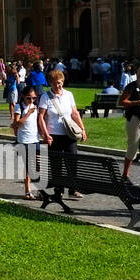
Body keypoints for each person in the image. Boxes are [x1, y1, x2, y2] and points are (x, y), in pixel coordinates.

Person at [40, 69, 87, 198]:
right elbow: (41, 117)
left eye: (60, 83)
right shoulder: (45, 97)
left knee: (72, 161)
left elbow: (75, 113)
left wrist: (82, 129)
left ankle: (73, 189)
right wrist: (45, 134)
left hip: (69, 134)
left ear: (63, 81)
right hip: (54, 134)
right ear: (50, 83)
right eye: (55, 83)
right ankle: (59, 189)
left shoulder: (68, 95)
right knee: (56, 164)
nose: (58, 86)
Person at [13, 85, 42, 199]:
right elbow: (16, 123)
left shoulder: (35, 106)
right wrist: (28, 113)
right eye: (28, 98)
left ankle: (40, 190)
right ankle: (27, 190)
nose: (31, 100)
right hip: (24, 140)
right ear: (23, 97)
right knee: (28, 166)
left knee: (39, 165)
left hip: (35, 139)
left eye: (34, 98)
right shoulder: (19, 107)